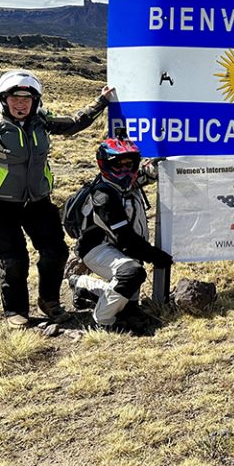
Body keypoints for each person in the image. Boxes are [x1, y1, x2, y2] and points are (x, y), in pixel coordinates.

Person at [0, 70, 114, 329]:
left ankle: (49, 301)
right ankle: (15, 312)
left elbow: (74, 123)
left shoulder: (41, 120)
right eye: (14, 98)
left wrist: (101, 101)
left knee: (56, 251)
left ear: (35, 101)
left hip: (38, 203)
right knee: (14, 259)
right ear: (3, 99)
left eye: (27, 99)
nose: (21, 104)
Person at [68, 136, 173, 333]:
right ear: (105, 165)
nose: (125, 170)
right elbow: (127, 239)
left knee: (127, 299)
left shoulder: (124, 183)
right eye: (118, 165)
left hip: (118, 246)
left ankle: (83, 285)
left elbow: (146, 173)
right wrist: (156, 256)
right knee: (131, 273)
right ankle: (104, 320)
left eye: (130, 164)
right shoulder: (104, 197)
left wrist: (169, 160)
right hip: (97, 249)